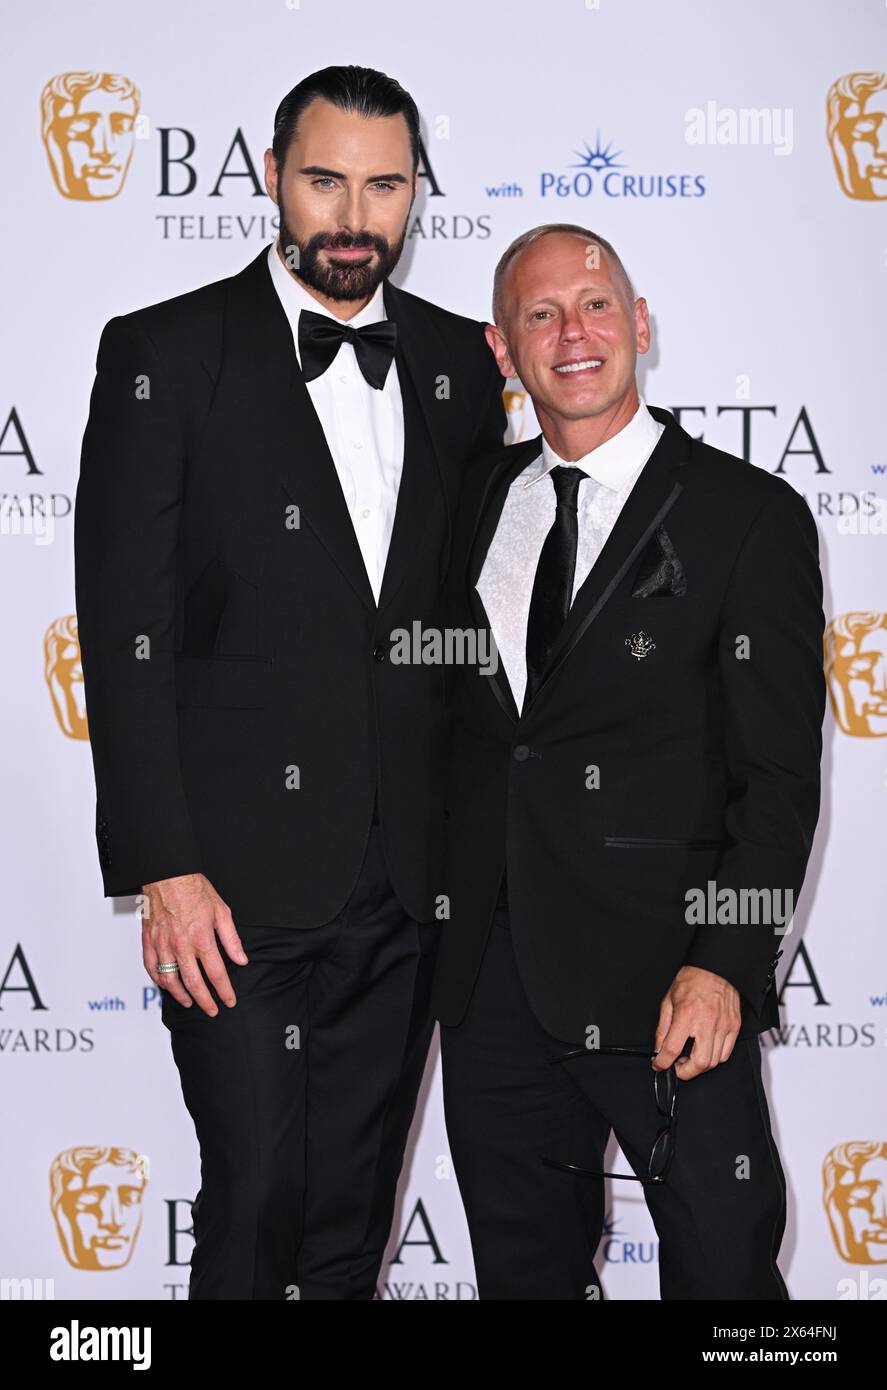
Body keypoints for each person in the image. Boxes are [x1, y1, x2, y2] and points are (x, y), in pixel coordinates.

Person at [73, 64, 505, 1300]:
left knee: (348, 1210)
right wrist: (164, 863)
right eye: (324, 182)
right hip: (230, 885)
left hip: (402, 879)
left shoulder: (454, 366)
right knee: (256, 1189)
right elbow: (125, 626)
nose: (353, 217)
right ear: (272, 178)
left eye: (383, 185)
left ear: (417, 189)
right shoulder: (164, 353)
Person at [433, 222, 825, 1299]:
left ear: (639, 325)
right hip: (494, 987)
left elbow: (779, 780)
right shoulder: (467, 503)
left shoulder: (748, 516)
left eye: (596, 305)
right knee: (524, 1275)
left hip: (671, 978)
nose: (573, 333)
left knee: (722, 1275)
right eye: (539, 314)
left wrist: (727, 964)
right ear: (502, 350)